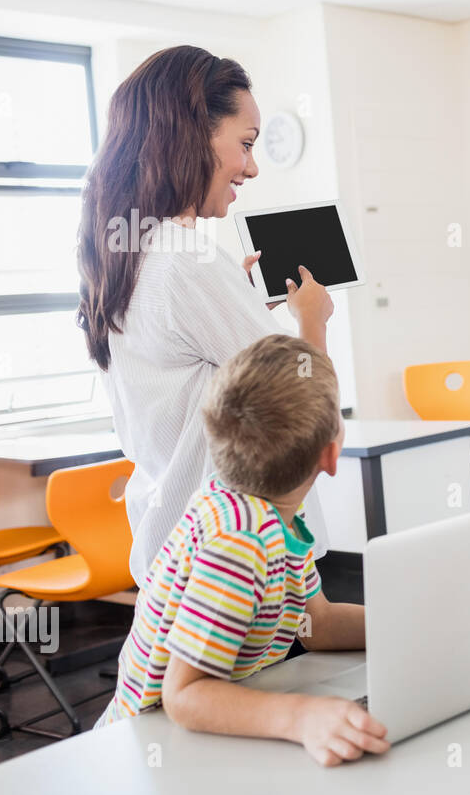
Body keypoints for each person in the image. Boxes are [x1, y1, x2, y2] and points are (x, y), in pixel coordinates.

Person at [77, 45, 335, 589]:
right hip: (230, 561)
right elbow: (303, 406)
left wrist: (232, 300)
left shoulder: (127, 256)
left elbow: (186, 375)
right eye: (245, 145)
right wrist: (314, 320)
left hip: (173, 551)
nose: (252, 167)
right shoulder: (187, 260)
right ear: (191, 134)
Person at [97, 335, 386, 767]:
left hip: (198, 737)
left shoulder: (277, 516)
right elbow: (184, 695)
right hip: (150, 750)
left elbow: (315, 625)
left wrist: (401, 624)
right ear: (331, 455)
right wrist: (301, 717)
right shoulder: (240, 540)